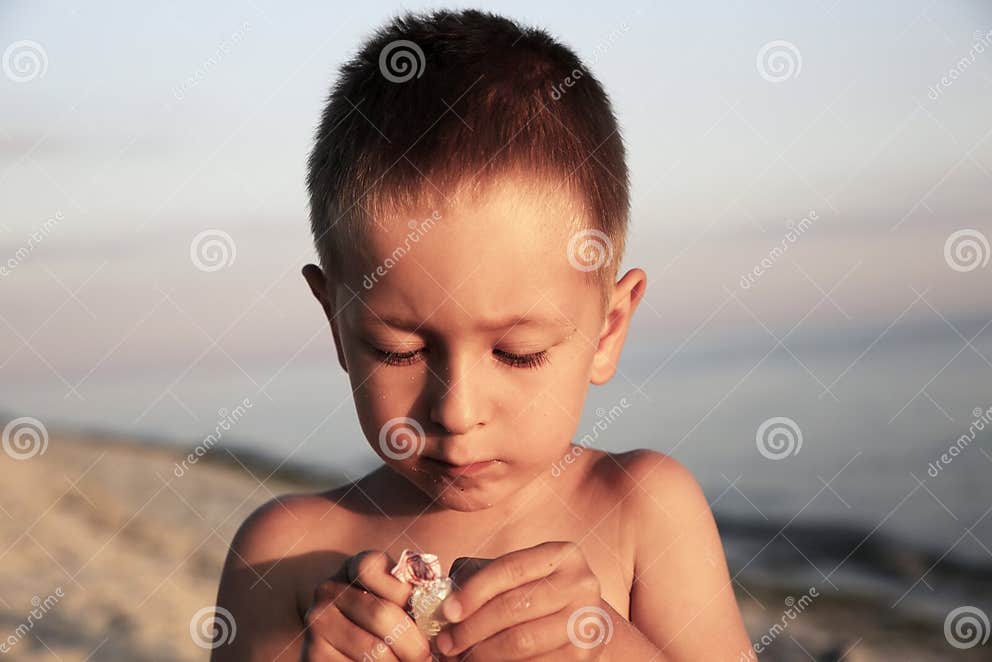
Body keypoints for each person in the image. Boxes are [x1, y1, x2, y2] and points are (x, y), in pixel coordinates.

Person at [211, 8, 752, 661]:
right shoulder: (284, 555)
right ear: (336, 325)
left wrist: (610, 646)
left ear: (608, 330)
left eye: (517, 354)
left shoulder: (644, 509)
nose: (456, 411)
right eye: (398, 349)